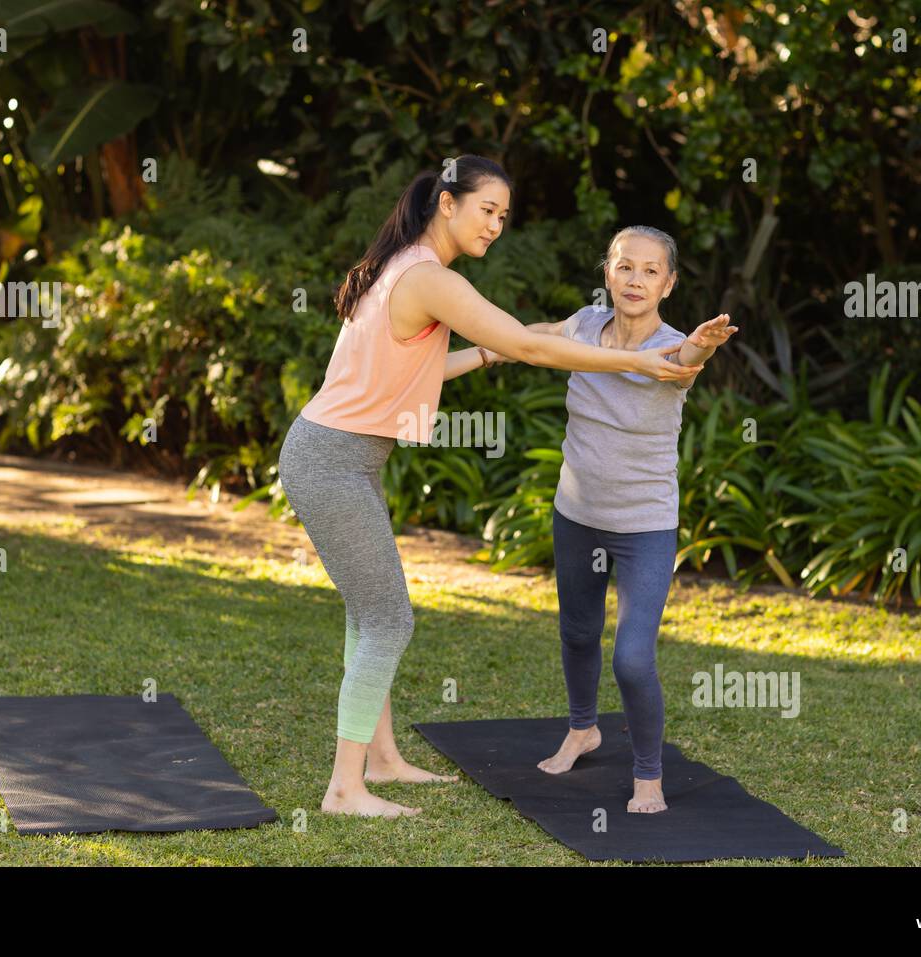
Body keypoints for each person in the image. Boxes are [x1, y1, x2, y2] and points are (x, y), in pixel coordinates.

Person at [277, 156, 702, 818]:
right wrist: (632, 359)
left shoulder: (403, 267)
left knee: (369, 613)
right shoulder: (430, 277)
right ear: (447, 203)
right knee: (389, 617)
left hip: (340, 457)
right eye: (487, 209)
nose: (497, 224)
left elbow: (410, 367)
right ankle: (343, 788)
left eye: (505, 215)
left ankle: (381, 759)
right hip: (331, 460)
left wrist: (482, 354)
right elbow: (534, 347)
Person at [496, 226, 737, 813]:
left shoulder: (671, 347)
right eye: (625, 267)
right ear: (607, 271)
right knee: (577, 632)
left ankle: (648, 774)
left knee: (632, 655)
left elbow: (686, 362)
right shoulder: (584, 325)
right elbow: (536, 337)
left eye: (651, 271)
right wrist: (483, 338)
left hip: (644, 525)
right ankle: (584, 729)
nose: (636, 280)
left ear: (669, 283)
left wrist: (703, 346)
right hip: (576, 514)